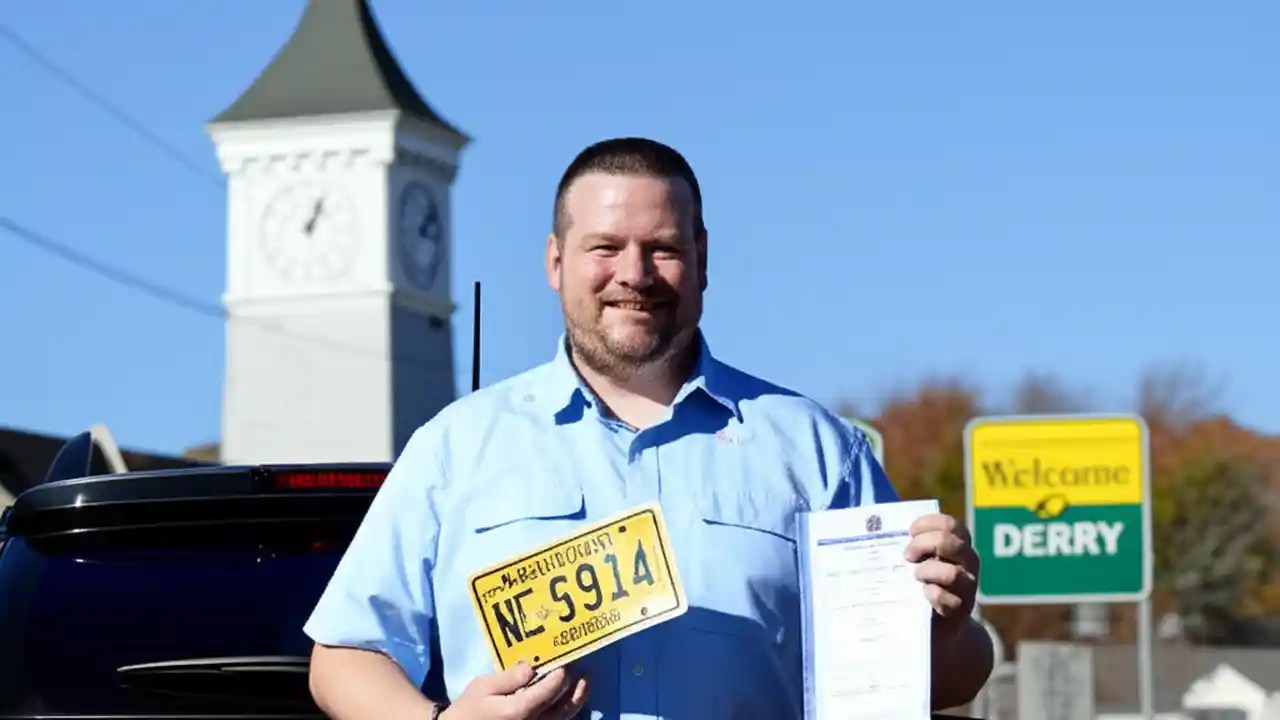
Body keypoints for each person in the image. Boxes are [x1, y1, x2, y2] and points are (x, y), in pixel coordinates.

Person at [304, 137, 994, 719]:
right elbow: (343, 656)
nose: (633, 275)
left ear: (701, 258)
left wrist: (944, 627)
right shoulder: (456, 448)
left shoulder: (816, 451)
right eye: (605, 246)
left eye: (661, 248)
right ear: (555, 261)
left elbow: (947, 678)